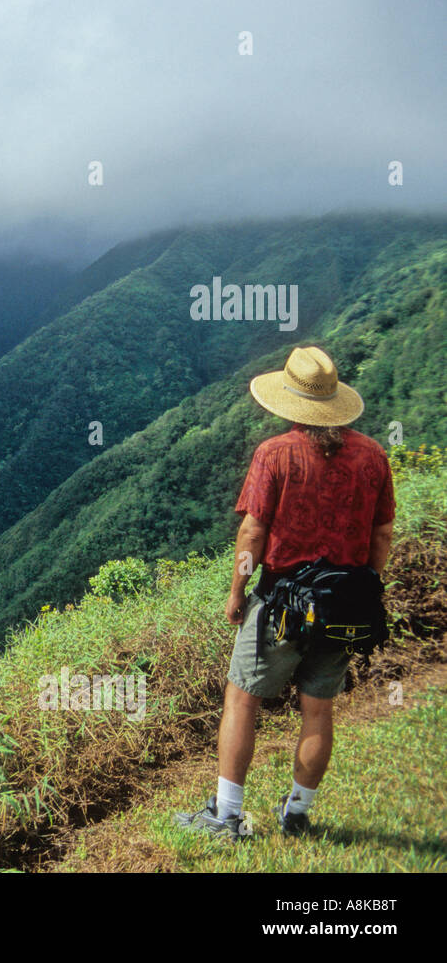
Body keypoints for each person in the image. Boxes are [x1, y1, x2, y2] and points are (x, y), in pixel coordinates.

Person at [176, 346, 395, 840]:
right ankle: (297, 813)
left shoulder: (275, 455)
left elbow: (253, 534)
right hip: (344, 606)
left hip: (282, 603)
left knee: (242, 699)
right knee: (318, 707)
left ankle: (226, 814)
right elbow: (381, 535)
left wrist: (237, 591)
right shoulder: (373, 456)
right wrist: (364, 589)